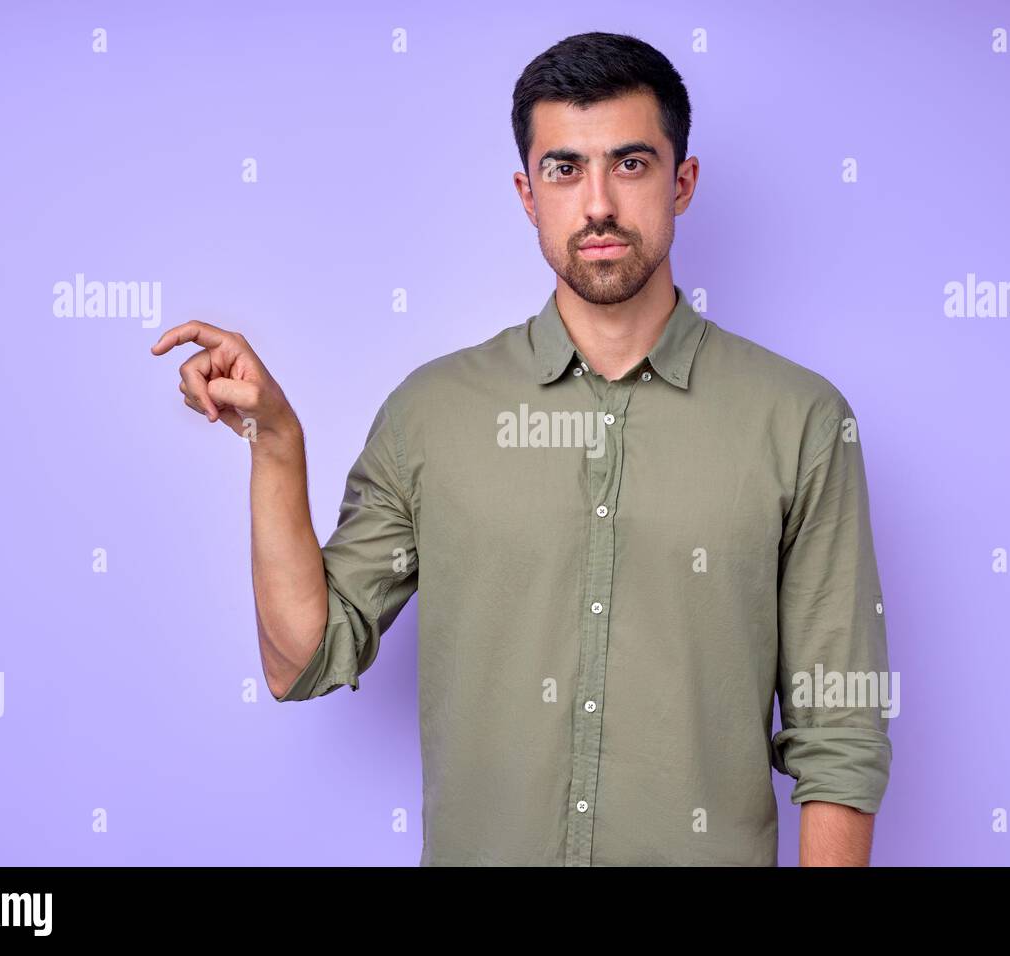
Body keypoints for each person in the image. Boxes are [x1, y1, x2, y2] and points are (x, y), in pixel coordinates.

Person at [151, 31, 892, 867]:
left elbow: (839, 732)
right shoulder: (432, 414)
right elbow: (303, 659)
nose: (600, 202)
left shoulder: (801, 420)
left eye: (632, 163)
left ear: (682, 182)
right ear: (526, 192)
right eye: (565, 169)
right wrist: (276, 443)